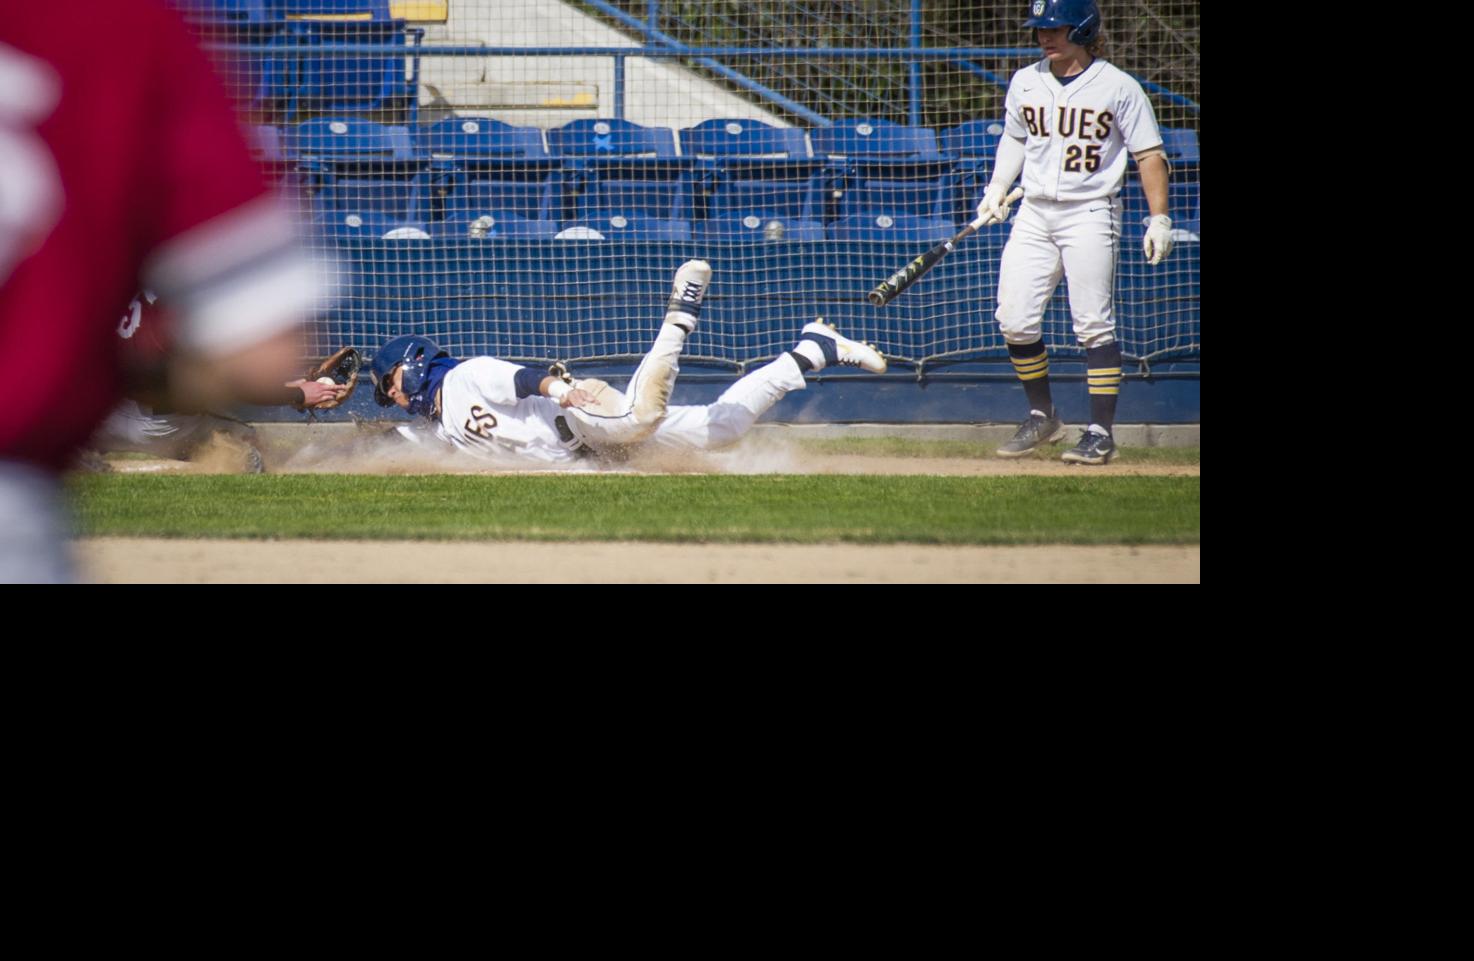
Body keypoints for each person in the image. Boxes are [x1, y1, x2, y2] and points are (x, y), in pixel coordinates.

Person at [2, 2, 329, 582]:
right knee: (221, 426)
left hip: (114, 418)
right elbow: (261, 355)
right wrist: (299, 393)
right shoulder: (123, 26)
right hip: (36, 472)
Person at [370, 260, 886, 463]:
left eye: (388, 384)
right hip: (592, 452)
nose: (391, 397)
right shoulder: (439, 426)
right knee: (721, 430)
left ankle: (681, 313)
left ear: (412, 364)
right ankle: (813, 349)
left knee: (640, 416)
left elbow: (524, 379)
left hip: (578, 414)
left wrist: (560, 390)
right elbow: (385, 446)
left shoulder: (465, 375)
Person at [978, 0, 1172, 466]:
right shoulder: (1026, 80)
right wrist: (998, 187)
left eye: (1057, 29)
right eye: (1041, 29)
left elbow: (1149, 155)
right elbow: (1015, 137)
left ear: (1082, 29)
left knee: (1092, 324)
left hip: (1091, 211)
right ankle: (1042, 415)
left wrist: (1159, 217)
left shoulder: (1118, 87)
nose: (1046, 37)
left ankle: (1101, 432)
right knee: (1014, 318)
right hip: (1034, 212)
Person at [83, 290, 348, 473]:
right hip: (165, 427)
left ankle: (82, 455)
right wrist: (299, 395)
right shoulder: (181, 306)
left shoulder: (125, 287)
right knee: (249, 445)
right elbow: (233, 385)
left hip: (106, 418)